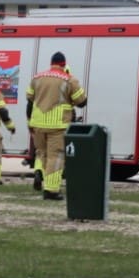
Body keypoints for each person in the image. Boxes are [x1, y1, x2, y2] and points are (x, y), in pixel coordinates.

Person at [26, 52, 86, 201]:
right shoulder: (69, 80)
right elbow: (82, 102)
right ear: (64, 64)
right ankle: (51, 190)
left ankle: (46, 181)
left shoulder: (37, 78)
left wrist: (30, 122)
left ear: (51, 63)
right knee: (56, 156)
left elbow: (30, 101)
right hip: (57, 124)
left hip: (37, 123)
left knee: (43, 154)